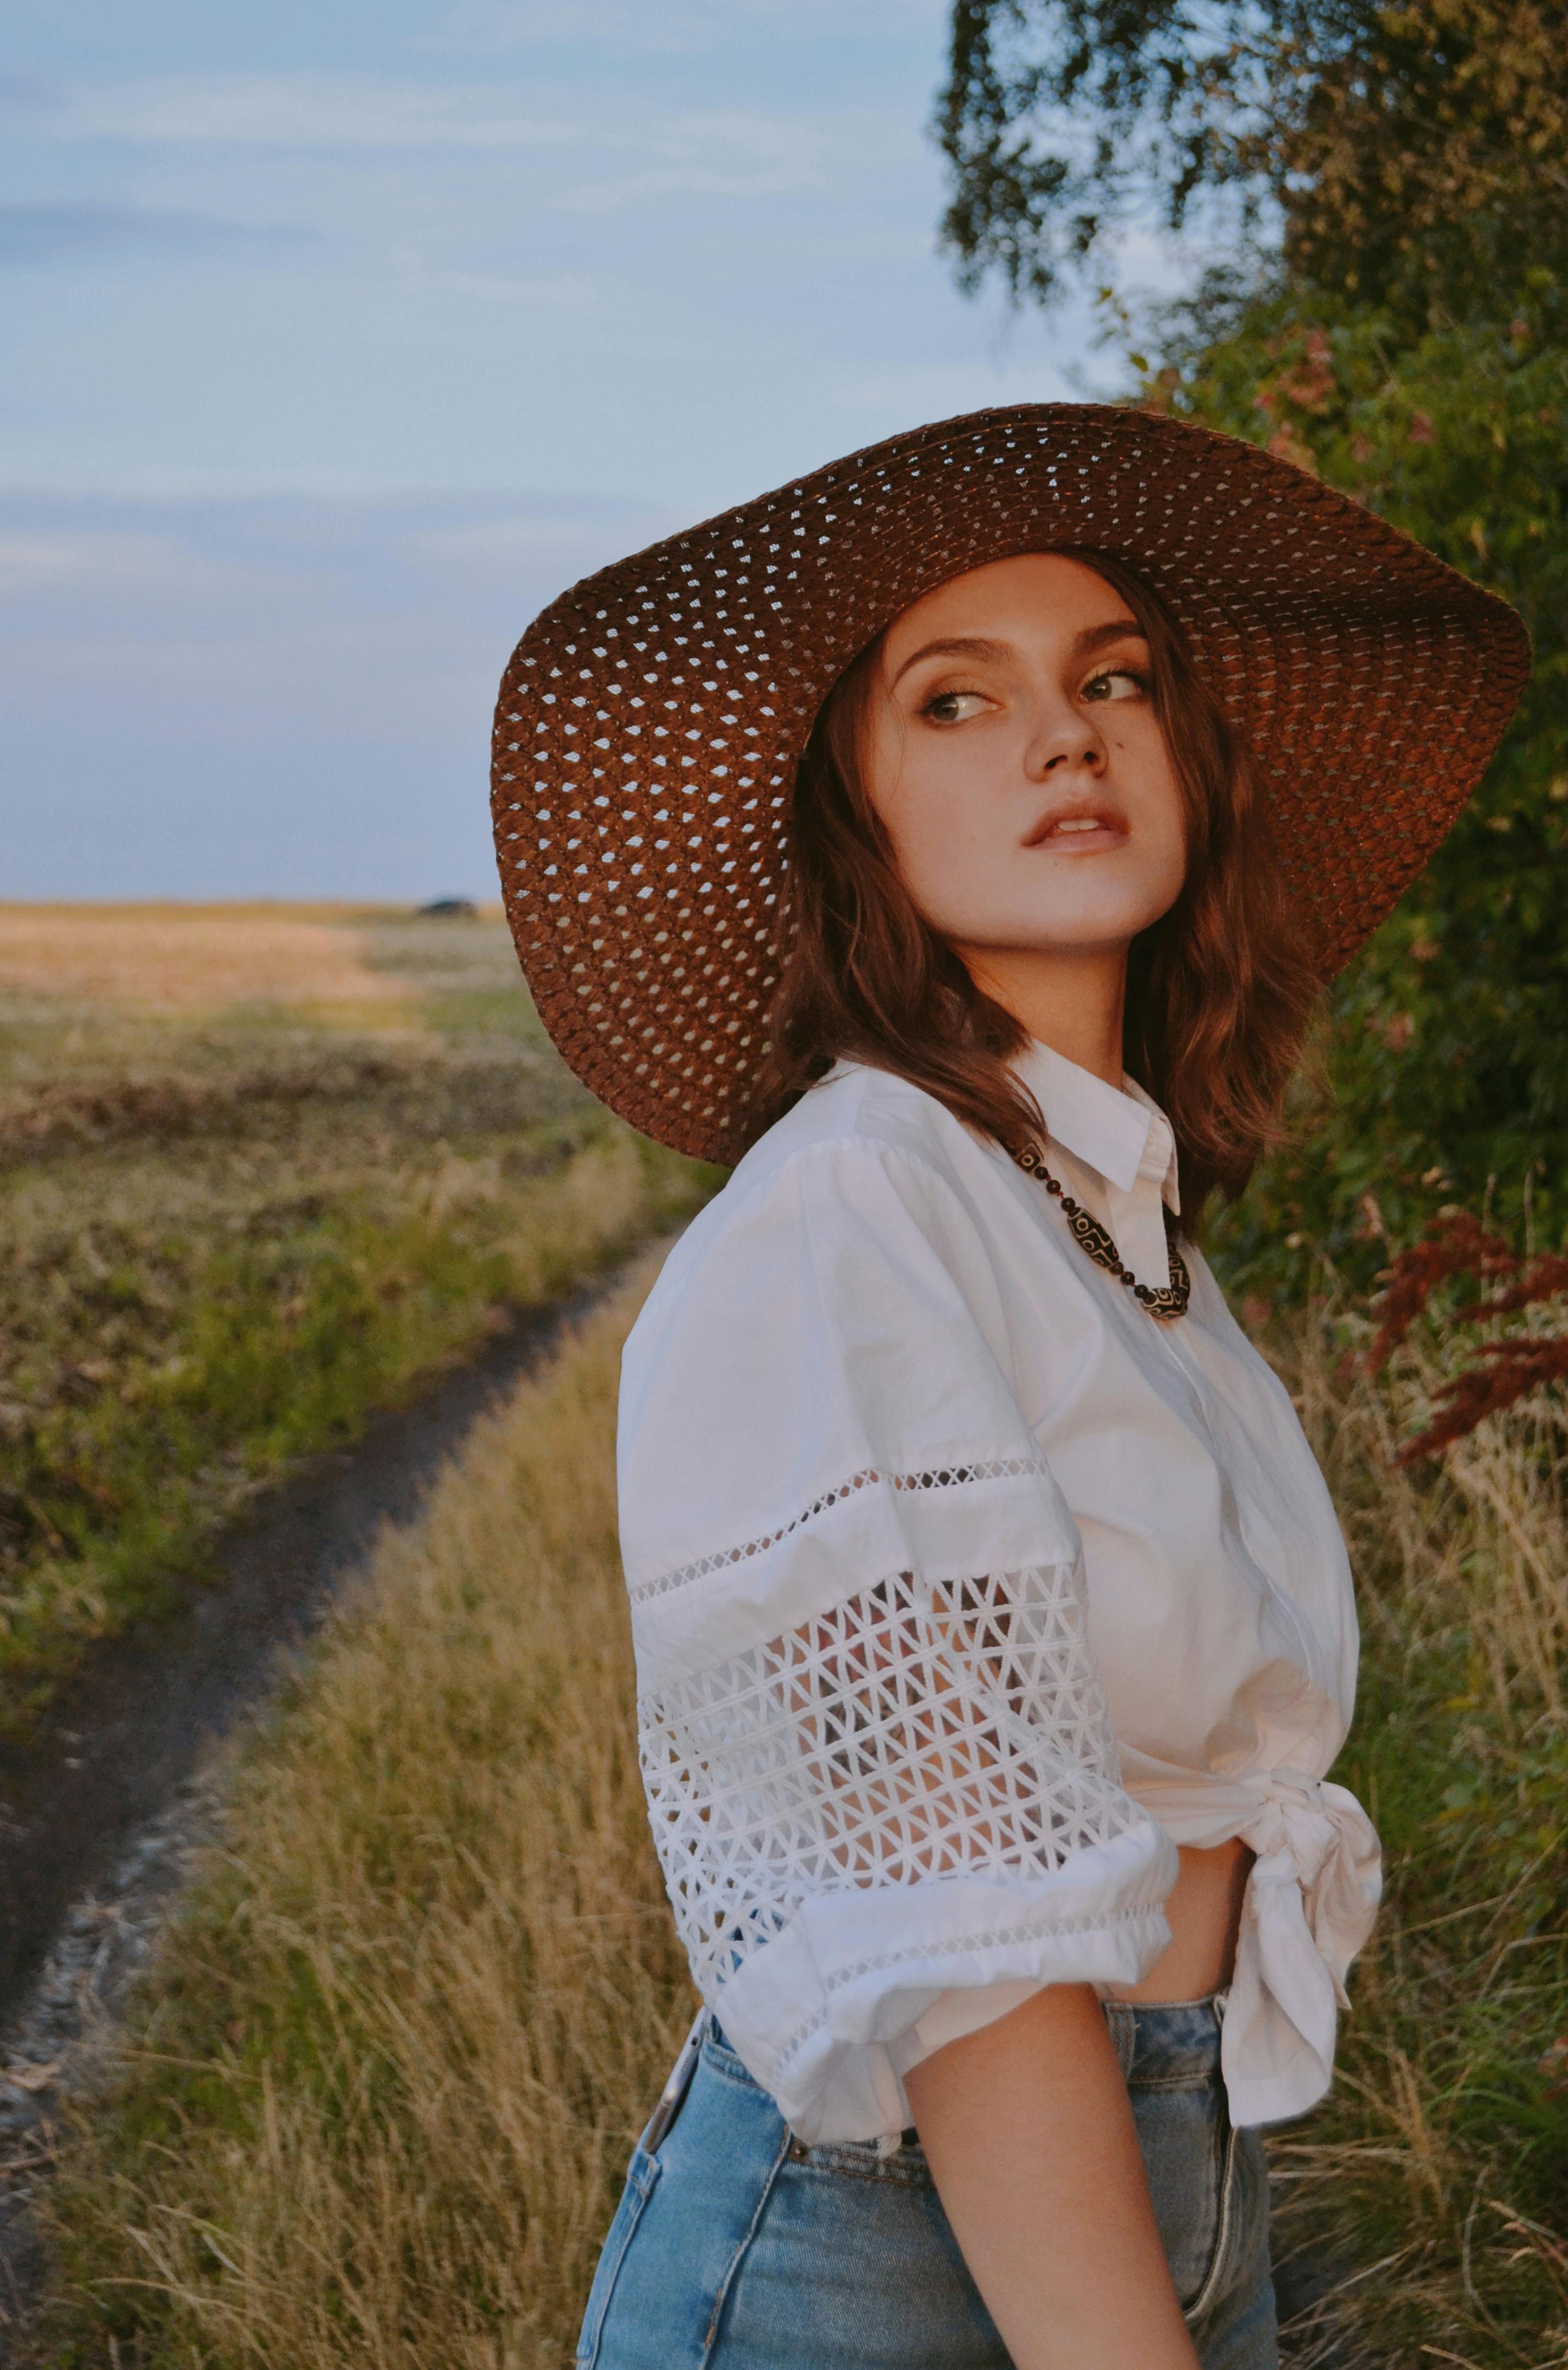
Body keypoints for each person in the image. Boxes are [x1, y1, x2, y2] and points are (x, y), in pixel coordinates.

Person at [489, 405, 1528, 2370]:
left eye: (1113, 680)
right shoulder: (858, 1211)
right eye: (956, 703)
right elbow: (967, 1960)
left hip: (1168, 2150)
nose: (1066, 734)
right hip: (894, 2247)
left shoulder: (1110, 1223)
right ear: (856, 821)